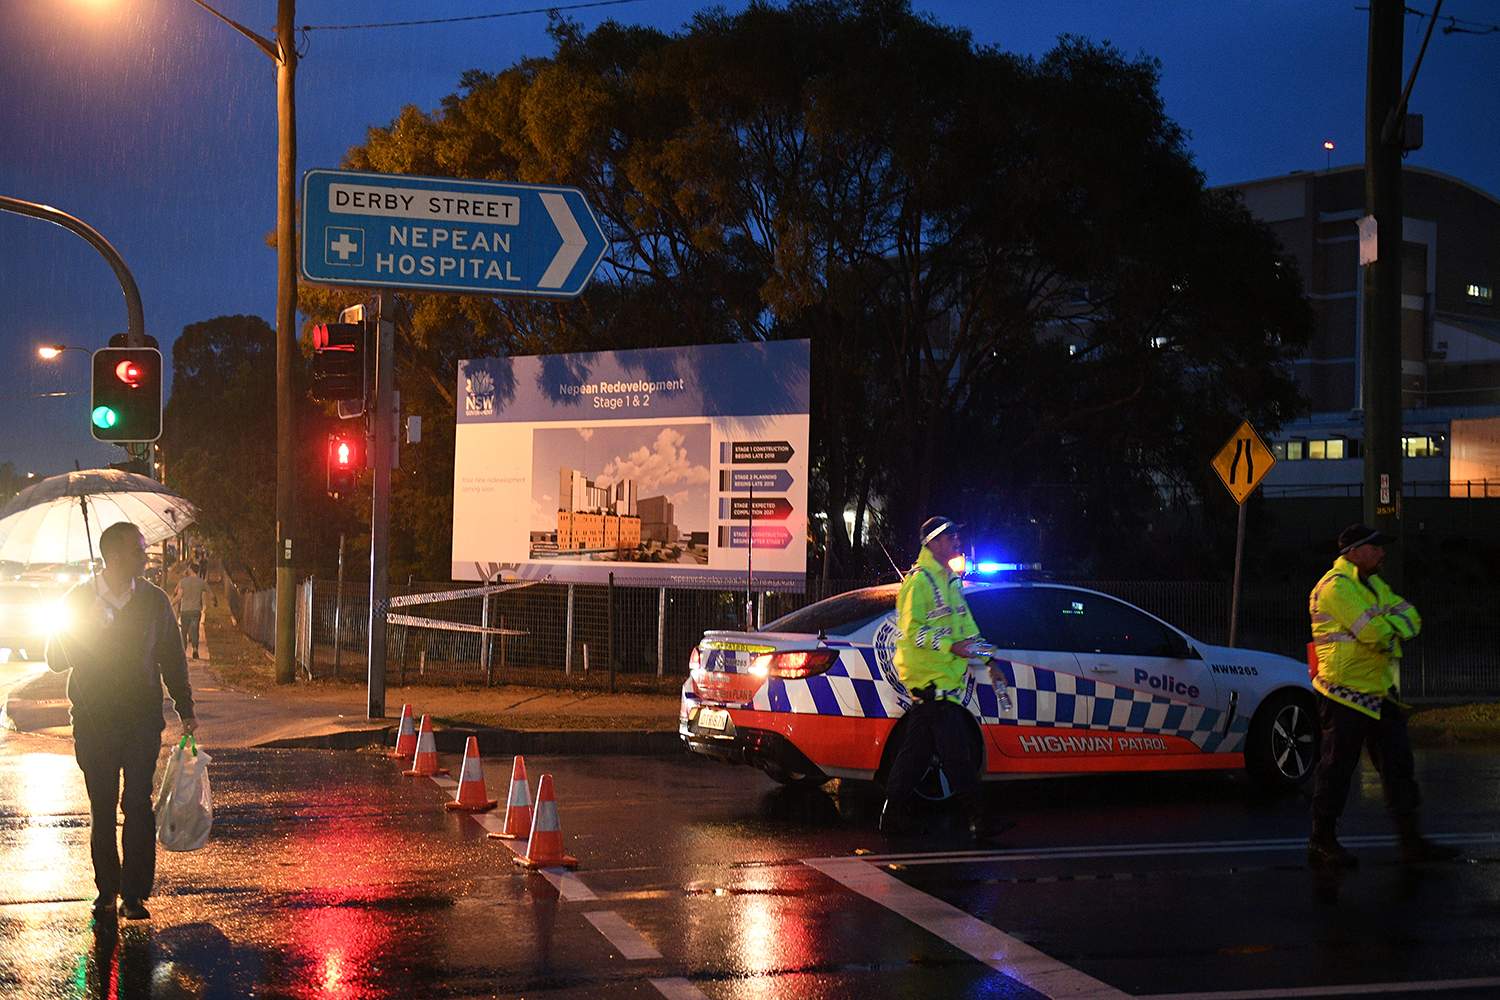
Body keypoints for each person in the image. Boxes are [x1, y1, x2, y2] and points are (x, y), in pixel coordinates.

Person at [46, 522, 196, 920]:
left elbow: (171, 657)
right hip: (94, 722)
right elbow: (55, 659)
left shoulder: (154, 601)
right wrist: (83, 626)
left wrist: (186, 708)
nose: (144, 557)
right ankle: (106, 891)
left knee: (137, 804)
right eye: (137, 550)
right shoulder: (79, 599)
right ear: (113, 556)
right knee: (102, 806)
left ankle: (134, 893)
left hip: (141, 719)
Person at [1306, 523, 1457, 867]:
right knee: (1336, 769)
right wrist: (1390, 631)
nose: (1382, 552)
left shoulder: (1372, 585)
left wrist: (1387, 629)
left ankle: (1411, 841)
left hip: (1376, 692)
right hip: (1343, 693)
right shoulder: (1334, 588)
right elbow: (1372, 633)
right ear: (1354, 552)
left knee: (1399, 766)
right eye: (1375, 547)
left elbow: (1411, 616)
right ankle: (1321, 841)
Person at [881, 515, 992, 835]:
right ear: (932, 543)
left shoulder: (951, 582)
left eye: (957, 535)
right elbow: (909, 632)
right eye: (950, 536)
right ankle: (979, 819)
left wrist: (990, 659)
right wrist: (950, 647)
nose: (956, 540)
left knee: (914, 757)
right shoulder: (919, 583)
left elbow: (969, 631)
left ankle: (890, 818)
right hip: (930, 684)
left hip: (943, 686)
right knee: (957, 756)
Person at [172, 561, 216, 659]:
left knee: (184, 631)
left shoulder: (183, 582)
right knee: (195, 630)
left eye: (188, 568)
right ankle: (195, 649)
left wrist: (171, 604)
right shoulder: (201, 582)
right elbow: (211, 593)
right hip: (196, 610)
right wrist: (214, 601)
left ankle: (183, 651)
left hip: (185, 610)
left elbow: (179, 596)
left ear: (190, 569)